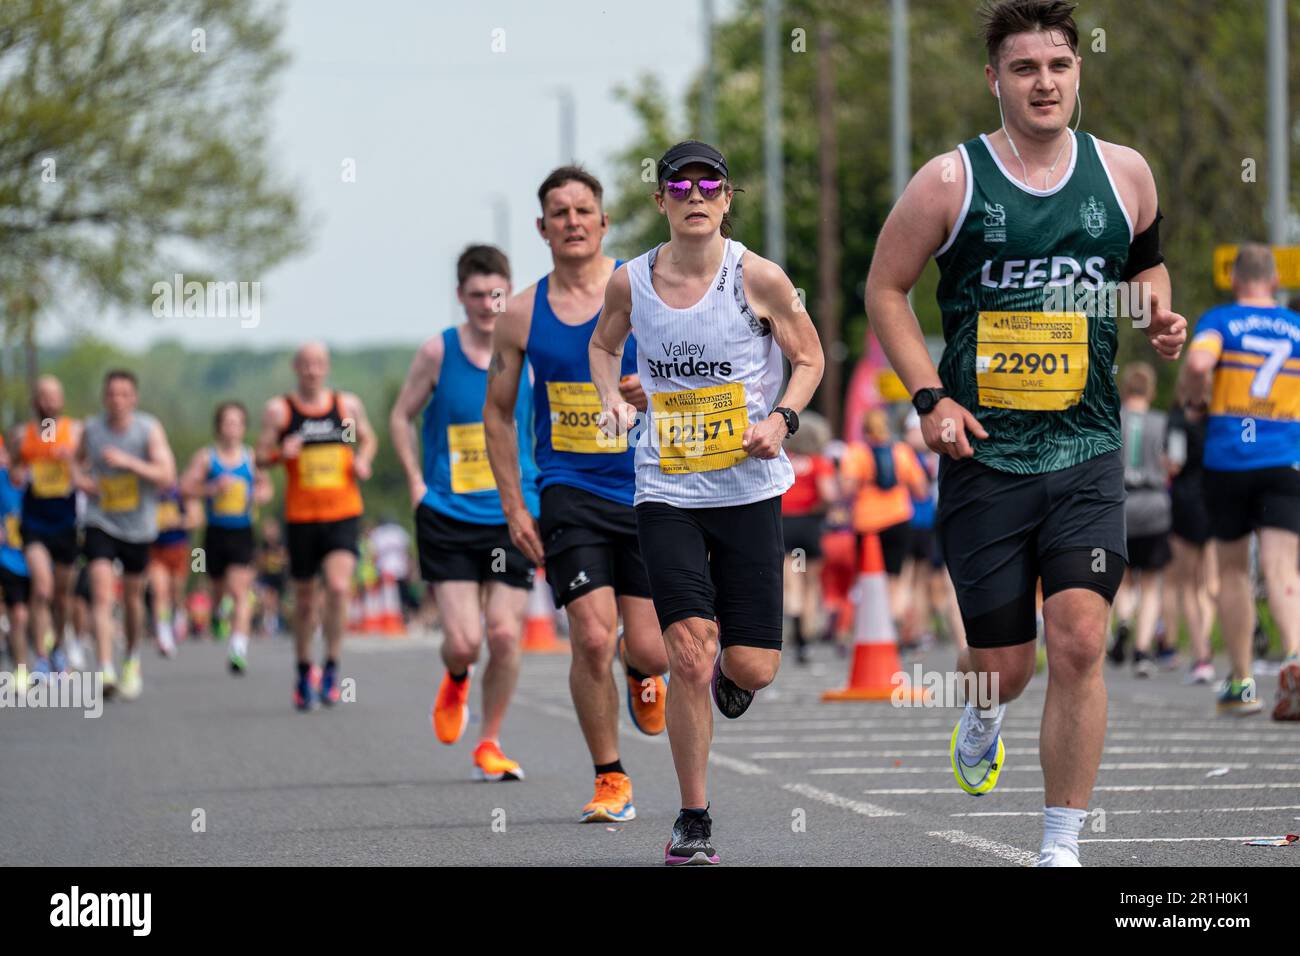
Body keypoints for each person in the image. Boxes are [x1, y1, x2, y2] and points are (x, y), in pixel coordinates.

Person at [864, 0, 1186, 866]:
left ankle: (1060, 844)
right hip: (985, 457)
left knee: (1080, 639)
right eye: (1023, 68)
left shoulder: (1124, 173)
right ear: (994, 79)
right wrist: (931, 398)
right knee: (1005, 666)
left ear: (1078, 72)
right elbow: (885, 291)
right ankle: (981, 707)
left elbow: (1146, 263)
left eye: (1057, 66)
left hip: (1087, 449)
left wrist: (1154, 311)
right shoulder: (949, 181)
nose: (1043, 83)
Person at [591, 140, 824, 864]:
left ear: (727, 199)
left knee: (750, 666)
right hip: (666, 487)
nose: (696, 195)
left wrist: (780, 421)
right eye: (679, 185)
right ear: (660, 199)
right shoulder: (630, 282)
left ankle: (733, 672)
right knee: (687, 653)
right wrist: (614, 404)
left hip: (748, 490)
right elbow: (604, 348)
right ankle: (694, 816)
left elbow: (810, 358)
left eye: (710, 185)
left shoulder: (758, 278)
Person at [486, 167, 670, 821]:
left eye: (582, 210)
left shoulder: (646, 290)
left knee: (647, 646)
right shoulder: (520, 314)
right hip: (569, 489)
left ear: (603, 223)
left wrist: (653, 388)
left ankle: (643, 671)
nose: (571, 221)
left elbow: (693, 368)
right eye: (558, 212)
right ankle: (610, 779)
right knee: (592, 637)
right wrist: (514, 503)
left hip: (648, 485)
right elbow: (499, 415)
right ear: (542, 229)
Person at [390, 244, 539, 780]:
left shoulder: (528, 352)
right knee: (463, 641)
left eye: (496, 293)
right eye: (475, 295)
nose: (486, 304)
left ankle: (490, 742)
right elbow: (401, 416)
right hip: (448, 515)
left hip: (510, 514)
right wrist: (414, 480)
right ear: (460, 297)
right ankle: (456, 678)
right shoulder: (438, 353)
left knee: (502, 633)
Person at [1184, 242, 1300, 720]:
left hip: (1229, 457)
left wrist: (1195, 401)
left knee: (1233, 572)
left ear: (1236, 281)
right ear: (1274, 282)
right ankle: (1294, 656)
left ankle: (1242, 683)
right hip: (1284, 458)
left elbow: (1195, 363)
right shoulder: (1294, 326)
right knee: (1281, 569)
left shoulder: (1221, 321)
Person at [255, 343, 377, 711]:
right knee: (305, 601)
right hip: (302, 518)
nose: (312, 370)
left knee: (339, 587)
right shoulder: (280, 411)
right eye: (306, 365)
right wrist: (279, 454)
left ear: (327, 367)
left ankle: (332, 668)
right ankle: (303, 668)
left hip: (342, 512)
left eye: (319, 364)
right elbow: (258, 456)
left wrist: (363, 461)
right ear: (296, 368)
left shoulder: (346, 406)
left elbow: (366, 439)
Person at [75, 369, 178, 699]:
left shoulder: (148, 430)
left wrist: (129, 463)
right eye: (111, 394)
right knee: (102, 592)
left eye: (124, 394)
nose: (117, 400)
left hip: (139, 526)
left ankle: (131, 659)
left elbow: (167, 475)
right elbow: (74, 462)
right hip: (100, 519)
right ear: (104, 397)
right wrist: (81, 480)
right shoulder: (91, 429)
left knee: (133, 598)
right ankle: (105, 668)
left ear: (133, 398)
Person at [180, 401, 271, 673]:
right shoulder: (207, 457)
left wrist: (257, 494)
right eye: (227, 423)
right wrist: (210, 489)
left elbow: (266, 488)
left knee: (239, 590)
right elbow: (184, 487)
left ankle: (238, 648)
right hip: (215, 533)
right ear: (218, 427)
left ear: (244, 428)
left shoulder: (251, 457)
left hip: (242, 531)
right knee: (219, 592)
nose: (232, 428)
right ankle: (220, 612)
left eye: (237, 423)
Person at [9, 375, 83, 672]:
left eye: (54, 396)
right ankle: (39, 657)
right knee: (42, 588)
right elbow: (14, 468)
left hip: (66, 521)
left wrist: (72, 461)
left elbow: (88, 468)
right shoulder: (21, 435)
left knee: (62, 596)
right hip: (34, 522)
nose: (48, 402)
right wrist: (21, 473)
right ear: (34, 401)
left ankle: (58, 648)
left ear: (61, 400)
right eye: (43, 396)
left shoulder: (75, 432)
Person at [841, 407, 930, 633]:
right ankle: (894, 625)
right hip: (899, 518)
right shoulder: (902, 451)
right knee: (896, 579)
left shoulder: (857, 452)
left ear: (864, 428)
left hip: (866, 522)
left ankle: (872, 627)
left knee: (870, 578)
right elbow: (921, 491)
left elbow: (846, 489)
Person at [1109, 363, 1171, 677]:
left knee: (1123, 577)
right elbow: (1175, 463)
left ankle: (1122, 620)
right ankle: (1143, 649)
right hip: (1153, 505)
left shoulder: (1111, 419)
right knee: (1150, 583)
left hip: (1119, 504)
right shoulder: (1162, 423)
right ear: (1151, 390)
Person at [1162, 364, 1215, 684]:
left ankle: (1201, 655)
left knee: (1187, 585)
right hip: (1217, 501)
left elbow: (1175, 465)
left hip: (1186, 504)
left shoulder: (1178, 421)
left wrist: (1164, 462)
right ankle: (1208, 644)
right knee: (1213, 584)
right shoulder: (1219, 418)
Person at [780, 411, 836, 664]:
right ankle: (807, 634)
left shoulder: (783, 460)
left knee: (792, 583)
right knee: (811, 583)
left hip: (783, 524)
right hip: (809, 526)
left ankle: (795, 629)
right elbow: (828, 495)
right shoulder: (819, 462)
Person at [147, 483, 200, 657]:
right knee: (160, 592)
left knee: (176, 592)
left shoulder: (181, 492)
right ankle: (163, 634)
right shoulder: (149, 490)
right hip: (155, 549)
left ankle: (179, 614)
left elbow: (196, 518)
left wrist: (176, 521)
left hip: (178, 549)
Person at [0, 443, 33, 690]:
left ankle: (45, 657)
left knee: (29, 613)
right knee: (17, 614)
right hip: (6, 558)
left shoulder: (39, 484)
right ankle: (21, 669)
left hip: (33, 558)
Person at [255, 517, 288, 637]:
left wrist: (278, 560)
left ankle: (273, 623)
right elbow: (258, 561)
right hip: (266, 576)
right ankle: (266, 625)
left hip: (278, 577)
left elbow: (285, 559)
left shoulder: (281, 544)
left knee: (275, 602)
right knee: (266, 600)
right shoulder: (262, 546)